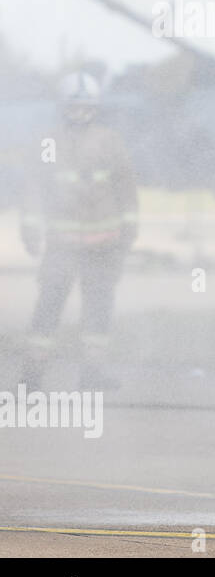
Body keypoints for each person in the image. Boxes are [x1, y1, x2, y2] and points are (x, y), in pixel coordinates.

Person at [20, 71, 138, 389]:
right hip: (62, 246)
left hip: (104, 245)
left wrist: (129, 228)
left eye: (87, 107)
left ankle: (92, 375)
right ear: (62, 108)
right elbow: (33, 186)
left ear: (96, 108)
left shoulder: (109, 141)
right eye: (74, 107)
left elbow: (126, 186)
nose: (80, 113)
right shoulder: (48, 143)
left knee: (98, 312)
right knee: (48, 307)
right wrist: (30, 228)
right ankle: (32, 376)